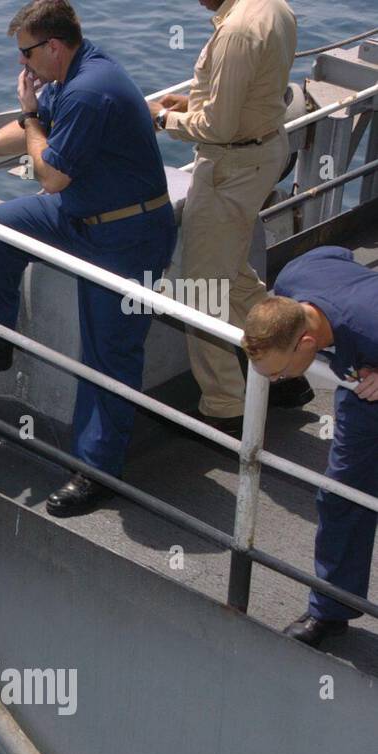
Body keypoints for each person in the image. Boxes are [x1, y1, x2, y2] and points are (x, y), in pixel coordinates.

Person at [0, 0, 177, 516]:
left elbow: (50, 174)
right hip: (82, 215)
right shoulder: (74, 73)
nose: (21, 66)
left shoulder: (89, 91)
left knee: (108, 354)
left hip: (127, 235)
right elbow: (38, 128)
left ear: (52, 46)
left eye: (25, 55)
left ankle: (97, 472)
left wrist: (26, 114)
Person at [150, 0, 306, 436]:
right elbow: (251, 90)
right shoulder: (275, 7)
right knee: (232, 273)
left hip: (229, 168)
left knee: (201, 289)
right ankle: (290, 367)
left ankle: (226, 407)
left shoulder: (237, 29)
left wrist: (165, 118)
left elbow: (218, 129)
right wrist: (196, 101)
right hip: (264, 150)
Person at [242, 246, 378, 646]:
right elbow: (336, 253)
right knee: (341, 496)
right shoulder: (293, 281)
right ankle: (330, 609)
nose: (278, 379)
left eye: (281, 372)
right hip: (362, 391)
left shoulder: (368, 321)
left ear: (305, 342)